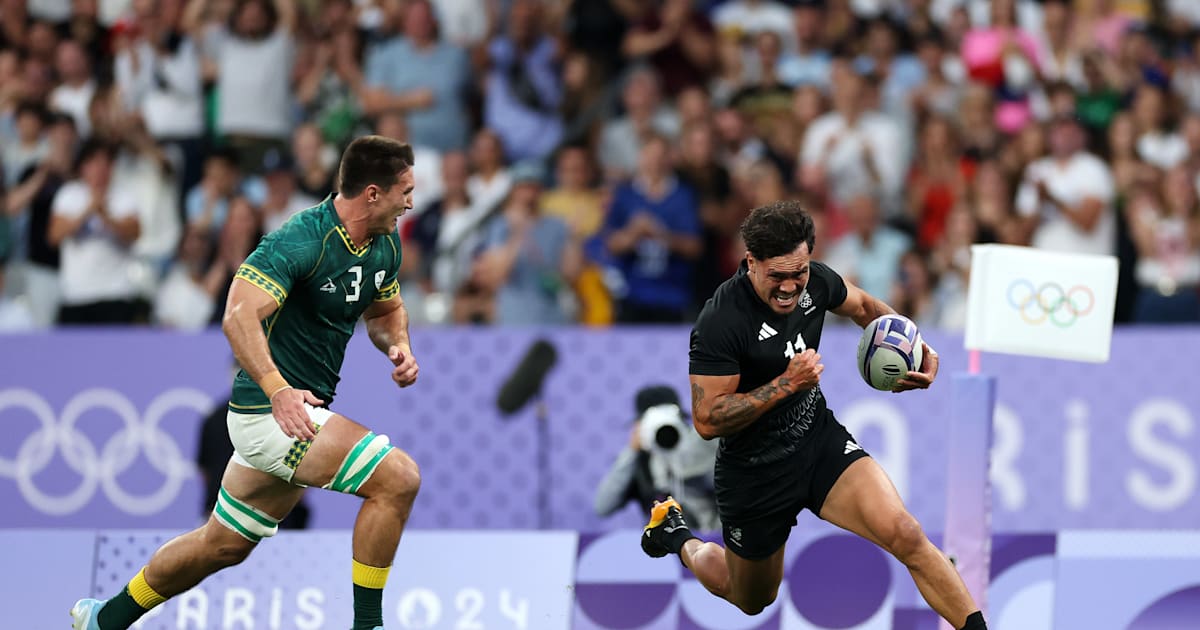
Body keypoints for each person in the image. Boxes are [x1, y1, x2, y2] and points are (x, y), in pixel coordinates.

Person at [71, 136, 422, 630]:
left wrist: (397, 346)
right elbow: (237, 316)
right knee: (398, 479)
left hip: (300, 415)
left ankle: (105, 619)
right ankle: (368, 626)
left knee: (222, 544)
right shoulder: (299, 240)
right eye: (404, 190)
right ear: (371, 193)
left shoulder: (385, 242)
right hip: (269, 414)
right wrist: (278, 390)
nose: (411, 201)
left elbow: (385, 311)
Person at [641, 201, 987, 630]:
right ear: (751, 262)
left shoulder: (816, 281)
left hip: (815, 441)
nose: (790, 287)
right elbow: (708, 419)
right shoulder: (721, 321)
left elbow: (864, 308)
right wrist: (786, 383)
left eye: (798, 273)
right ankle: (675, 536)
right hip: (753, 472)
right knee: (749, 597)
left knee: (906, 533)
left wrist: (916, 346)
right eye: (778, 276)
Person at [594, 385, 718, 531]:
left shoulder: (705, 447)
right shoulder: (639, 460)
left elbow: (727, 489)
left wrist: (699, 449)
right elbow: (603, 506)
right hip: (662, 547)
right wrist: (631, 452)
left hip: (711, 539)